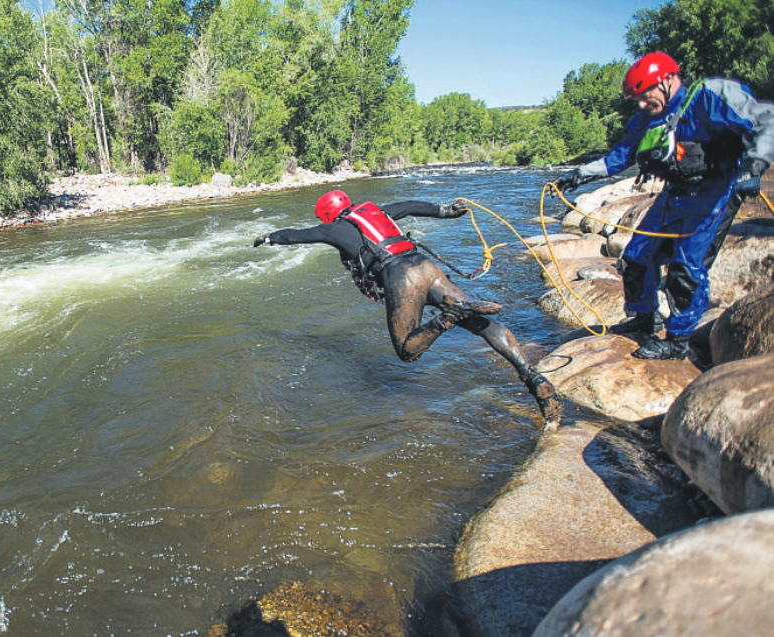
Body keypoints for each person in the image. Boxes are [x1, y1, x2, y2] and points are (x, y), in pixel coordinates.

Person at [253, 190, 563, 427]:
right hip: (426, 266)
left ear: (328, 215)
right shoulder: (376, 211)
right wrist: (446, 211)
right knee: (479, 323)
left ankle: (449, 317)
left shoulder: (334, 229)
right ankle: (533, 377)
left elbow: (296, 236)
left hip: (401, 277)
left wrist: (268, 237)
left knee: (407, 350)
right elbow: (413, 206)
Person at [556, 52, 774, 360]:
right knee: (635, 257)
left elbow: (767, 119)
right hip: (676, 195)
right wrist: (580, 174)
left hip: (717, 193)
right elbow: (619, 156)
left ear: (668, 80)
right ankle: (644, 319)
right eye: (638, 100)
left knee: (685, 269)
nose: (642, 104)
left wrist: (754, 167)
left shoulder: (709, 96)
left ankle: (678, 341)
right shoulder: (647, 119)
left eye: (645, 96)